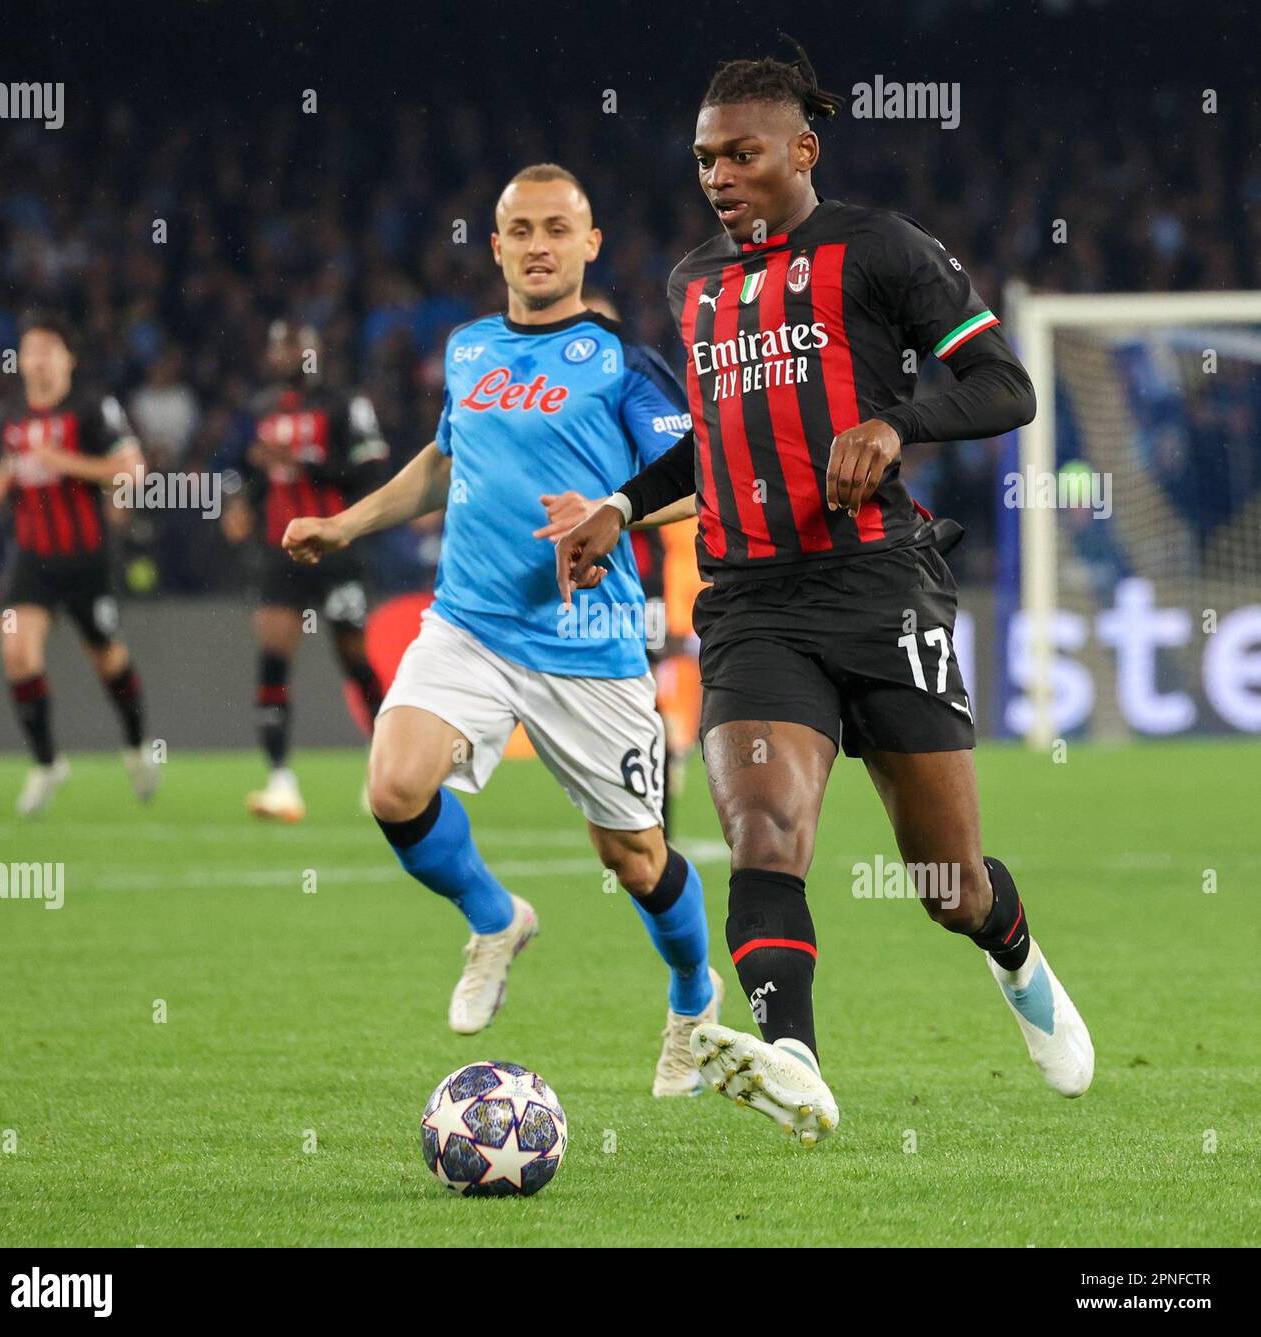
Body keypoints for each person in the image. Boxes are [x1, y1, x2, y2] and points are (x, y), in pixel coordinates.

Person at [556, 44, 1094, 1143]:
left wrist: (898, 421)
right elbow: (713, 441)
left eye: (740, 154)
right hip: (750, 599)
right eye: (704, 158)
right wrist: (619, 500)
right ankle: (792, 1054)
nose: (717, 175)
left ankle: (1016, 953)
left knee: (947, 882)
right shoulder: (691, 283)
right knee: (763, 830)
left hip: (882, 585)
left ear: (801, 149)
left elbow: (1006, 384)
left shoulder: (878, 250)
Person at [283, 164, 721, 1095]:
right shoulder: (470, 349)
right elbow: (444, 463)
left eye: (557, 229)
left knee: (635, 858)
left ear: (589, 243)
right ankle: (494, 917)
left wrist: (612, 510)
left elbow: (697, 473)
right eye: (519, 230)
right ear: (496, 246)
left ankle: (692, 994)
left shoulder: (616, 360)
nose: (538, 245)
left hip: (587, 646)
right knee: (395, 784)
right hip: (470, 624)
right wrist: (347, 522)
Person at [0, 312, 159, 814]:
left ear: (68, 359)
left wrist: (68, 463)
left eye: (47, 348)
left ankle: (135, 746)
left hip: (85, 558)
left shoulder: (92, 409)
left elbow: (135, 472)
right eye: (29, 349)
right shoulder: (12, 416)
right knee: (17, 651)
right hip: (31, 558)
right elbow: (11, 470)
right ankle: (46, 764)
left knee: (106, 659)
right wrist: (3, 483)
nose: (36, 359)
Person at [218, 321, 390, 822]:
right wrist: (239, 504)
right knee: (272, 660)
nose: (284, 353)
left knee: (354, 659)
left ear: (314, 351)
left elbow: (369, 471)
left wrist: (304, 464)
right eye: (277, 345)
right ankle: (280, 782)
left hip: (335, 548)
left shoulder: (343, 404)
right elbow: (243, 469)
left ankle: (383, 767)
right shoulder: (260, 409)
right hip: (280, 554)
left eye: (292, 344)